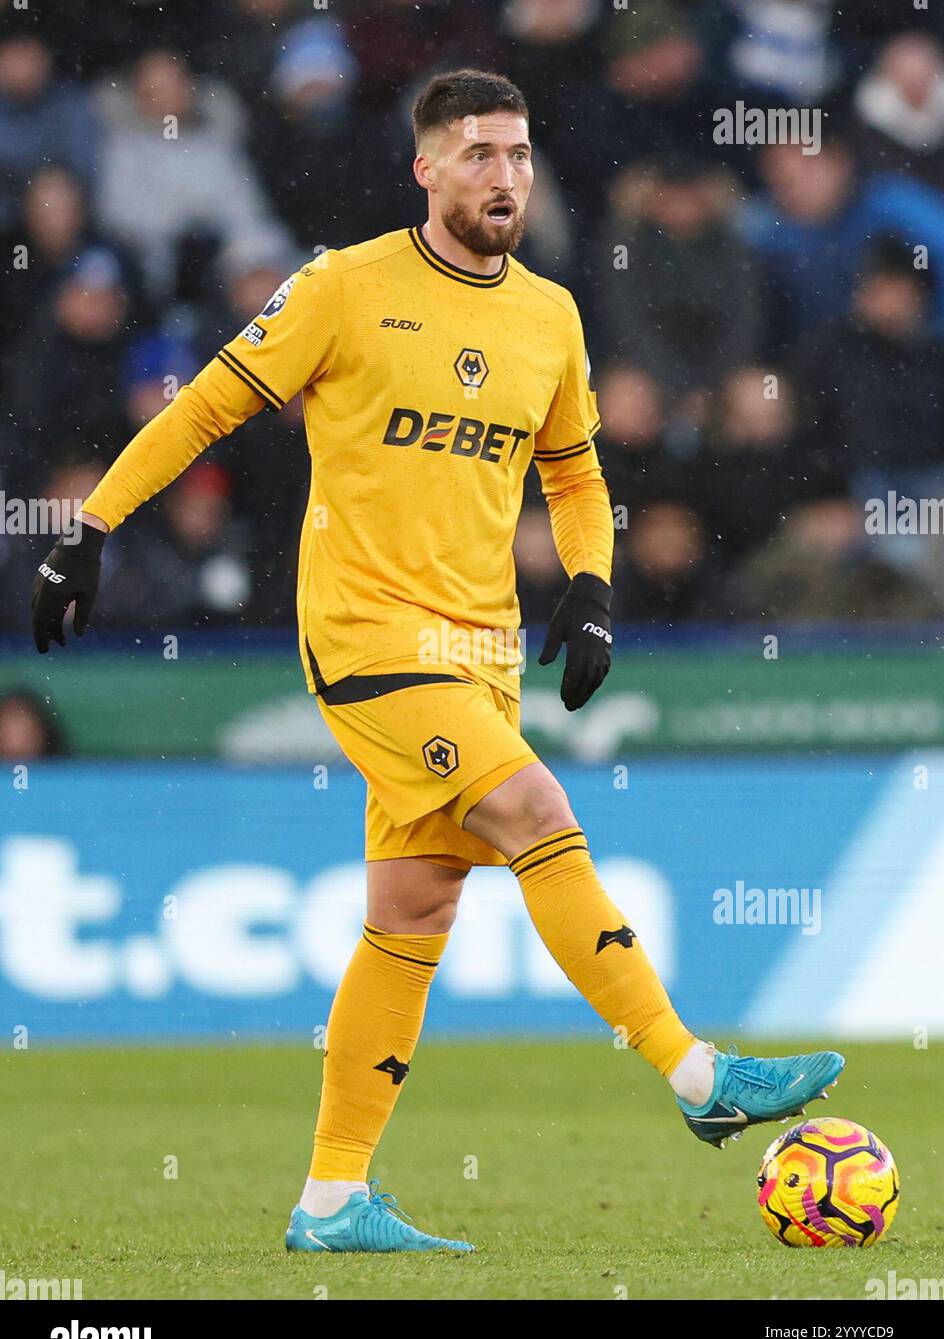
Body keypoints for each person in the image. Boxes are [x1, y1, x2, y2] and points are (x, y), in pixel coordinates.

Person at [31, 69, 843, 1256]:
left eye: (517, 154)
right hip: (364, 635)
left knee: (411, 911)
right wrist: (91, 527)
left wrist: (592, 589)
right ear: (424, 169)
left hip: (480, 651)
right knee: (537, 810)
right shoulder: (343, 287)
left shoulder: (549, 315)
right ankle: (695, 1071)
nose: (503, 176)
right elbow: (206, 407)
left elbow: (574, 475)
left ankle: (329, 1199)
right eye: (476, 155)